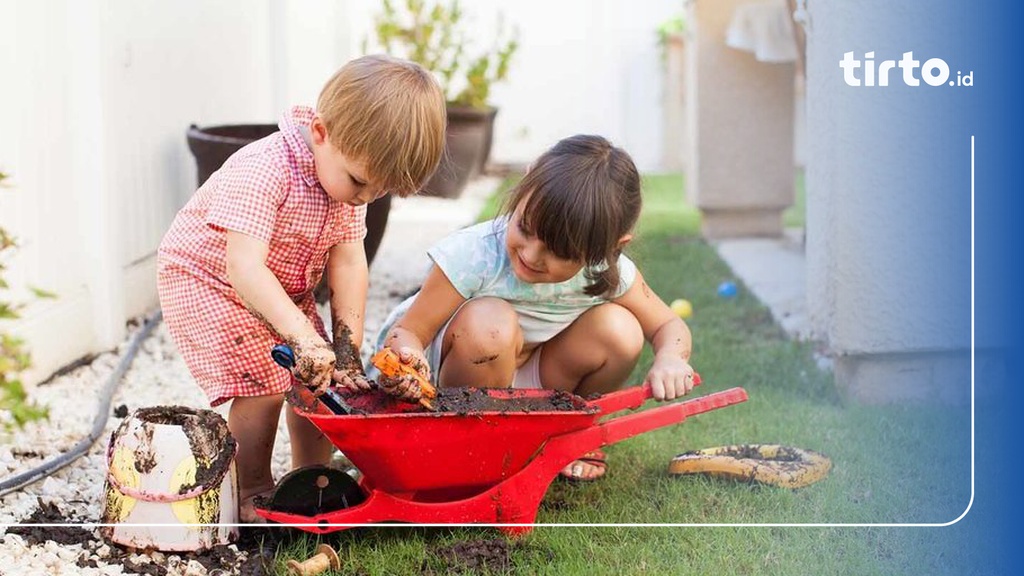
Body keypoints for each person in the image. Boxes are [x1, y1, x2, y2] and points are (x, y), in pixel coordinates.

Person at [157, 55, 446, 521]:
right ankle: (250, 490)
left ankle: (313, 479)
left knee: (322, 379)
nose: (364, 198)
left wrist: (345, 350)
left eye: (379, 192)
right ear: (320, 133)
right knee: (263, 385)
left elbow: (350, 261)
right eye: (359, 182)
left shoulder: (347, 182)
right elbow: (244, 268)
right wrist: (304, 336)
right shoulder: (265, 169)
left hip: (278, 290)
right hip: (210, 279)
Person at [370, 134, 696, 482]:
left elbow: (668, 326)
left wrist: (671, 359)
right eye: (525, 227)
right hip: (446, 383)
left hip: (528, 379)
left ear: (609, 249)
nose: (531, 254)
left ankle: (565, 434)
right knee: (491, 324)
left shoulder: (603, 271)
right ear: (524, 185)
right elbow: (408, 332)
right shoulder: (474, 255)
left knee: (622, 331)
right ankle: (468, 443)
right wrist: (407, 360)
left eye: (560, 251)